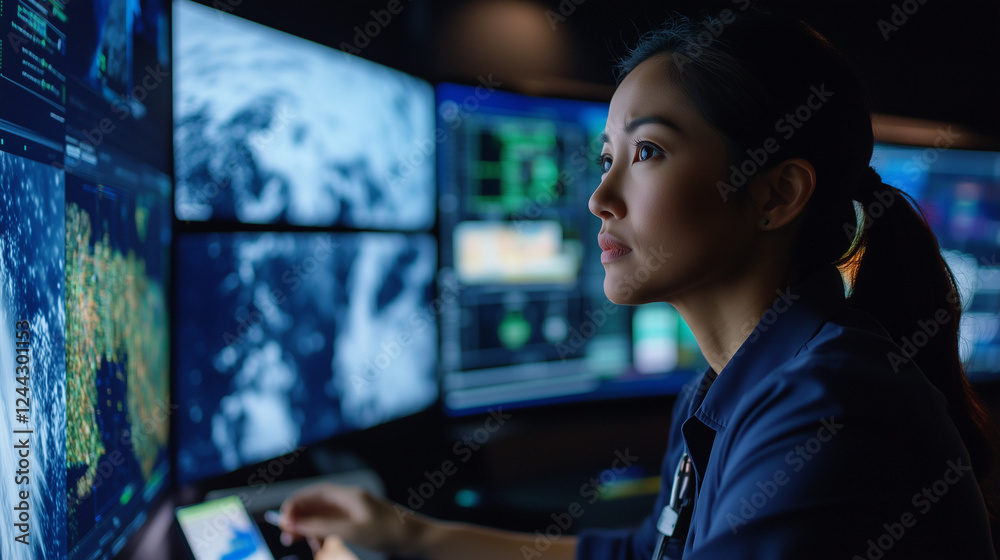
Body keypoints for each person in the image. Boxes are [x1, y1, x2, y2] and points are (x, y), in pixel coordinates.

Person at [278, 10, 999, 559]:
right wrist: (406, 534)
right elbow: (640, 555)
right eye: (605, 156)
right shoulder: (732, 384)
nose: (600, 197)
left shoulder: (828, 409)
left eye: (647, 151)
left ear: (777, 194)